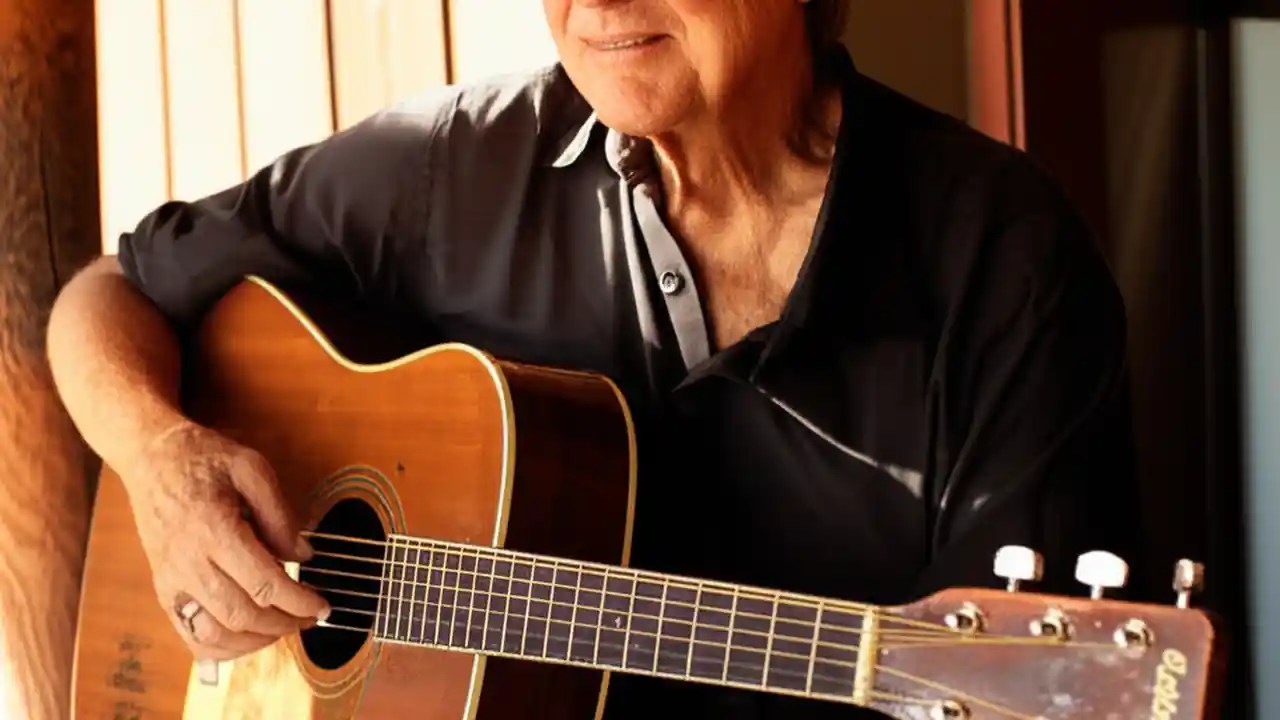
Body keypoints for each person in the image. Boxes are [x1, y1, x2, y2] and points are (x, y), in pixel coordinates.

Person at [46, 0, 1142, 716]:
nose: (600, 4)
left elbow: (1025, 676)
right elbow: (111, 295)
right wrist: (162, 458)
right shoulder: (441, 169)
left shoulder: (999, 257)